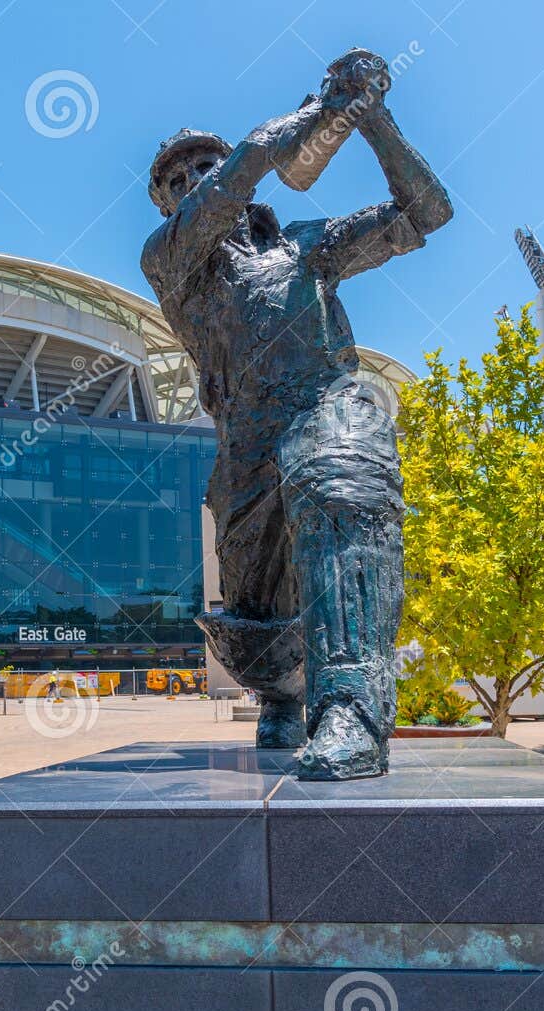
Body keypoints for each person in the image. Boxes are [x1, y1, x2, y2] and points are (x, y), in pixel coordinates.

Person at [140, 49, 452, 779]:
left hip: (326, 404)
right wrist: (316, 114)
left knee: (340, 482)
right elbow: (246, 166)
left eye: (203, 166)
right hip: (247, 440)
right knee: (257, 611)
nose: (194, 181)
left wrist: (372, 118)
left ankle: (352, 711)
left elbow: (427, 212)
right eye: (177, 182)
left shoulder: (306, 247)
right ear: (169, 206)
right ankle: (286, 694)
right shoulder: (171, 261)